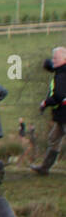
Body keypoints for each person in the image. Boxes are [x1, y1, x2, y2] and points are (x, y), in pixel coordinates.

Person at [32, 46, 66, 174]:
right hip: (61, 115)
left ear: (64, 58)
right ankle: (45, 168)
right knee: (53, 138)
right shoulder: (60, 71)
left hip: (64, 114)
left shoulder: (62, 74)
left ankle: (44, 168)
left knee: (54, 139)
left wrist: (45, 103)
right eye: (53, 58)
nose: (53, 60)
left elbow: (59, 95)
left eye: (56, 58)